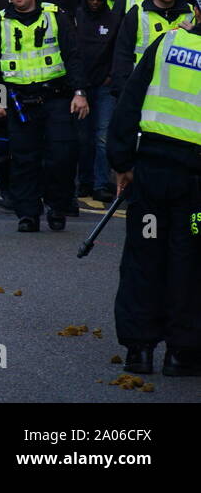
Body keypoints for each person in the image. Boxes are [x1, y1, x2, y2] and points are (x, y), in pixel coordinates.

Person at [107, 21, 201, 378]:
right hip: (193, 184)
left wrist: (122, 162)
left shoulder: (168, 42)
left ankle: (139, 350)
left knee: (144, 257)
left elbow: (131, 100)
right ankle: (181, 353)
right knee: (188, 264)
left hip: (151, 174)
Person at [0, 0, 88, 231]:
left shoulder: (55, 15)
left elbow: (73, 55)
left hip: (56, 98)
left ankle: (57, 207)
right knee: (24, 160)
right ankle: (27, 214)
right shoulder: (0, 21)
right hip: (20, 102)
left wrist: (80, 92)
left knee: (61, 157)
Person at [73, 0, 120, 203]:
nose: (94, 2)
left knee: (102, 136)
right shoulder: (76, 16)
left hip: (103, 86)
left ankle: (101, 183)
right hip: (81, 85)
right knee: (82, 137)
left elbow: (120, 49)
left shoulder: (113, 19)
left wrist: (111, 75)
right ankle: (85, 181)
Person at [110, 0, 194, 95]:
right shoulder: (137, 13)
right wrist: (122, 91)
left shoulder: (192, 13)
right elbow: (122, 53)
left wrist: (196, 33)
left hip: (181, 92)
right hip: (142, 89)